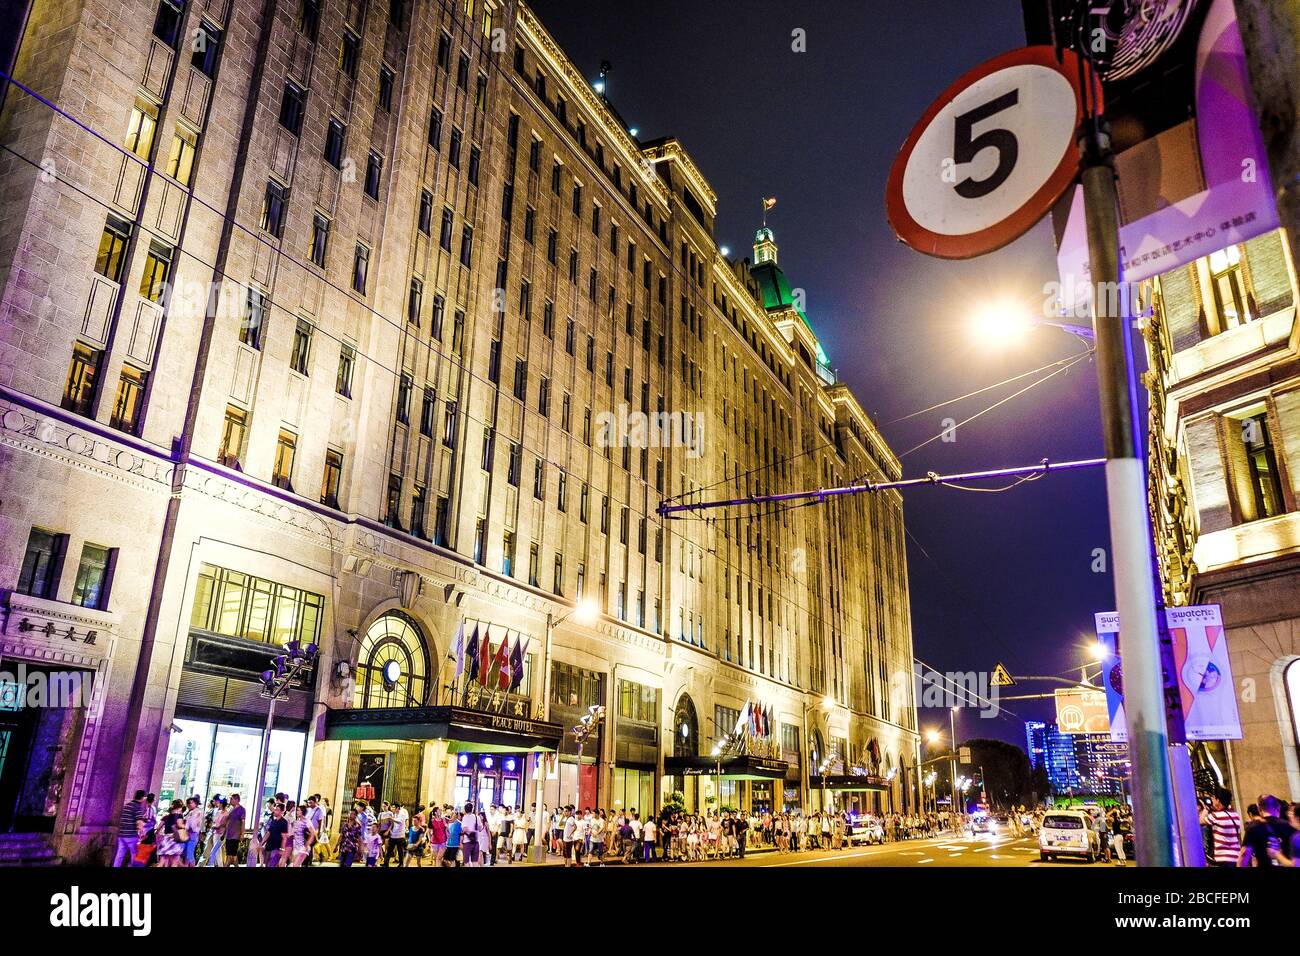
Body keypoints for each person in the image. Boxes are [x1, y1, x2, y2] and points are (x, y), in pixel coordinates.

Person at [1239, 794, 1295, 867]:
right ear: (1278, 807)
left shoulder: (1253, 827)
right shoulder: (1288, 826)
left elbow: (1244, 855)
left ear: (1259, 809)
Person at [1205, 788, 1242, 868]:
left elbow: (1201, 821)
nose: (1212, 800)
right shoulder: (1236, 816)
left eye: (1213, 798)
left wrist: (1206, 808)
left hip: (1222, 859)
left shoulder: (1216, 816)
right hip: (1236, 857)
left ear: (1218, 800)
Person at [113, 790, 148, 867]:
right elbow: (139, 823)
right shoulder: (138, 807)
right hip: (131, 835)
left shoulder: (127, 805)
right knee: (134, 855)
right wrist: (143, 833)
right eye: (145, 798)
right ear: (142, 798)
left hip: (122, 835)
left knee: (119, 855)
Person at [262, 803, 290, 868]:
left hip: (276, 847)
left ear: (282, 812)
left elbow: (284, 837)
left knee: (272, 864)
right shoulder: (273, 821)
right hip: (269, 845)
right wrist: (261, 843)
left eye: (277, 810)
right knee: (266, 863)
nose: (274, 811)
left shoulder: (284, 822)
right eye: (275, 809)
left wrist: (282, 849)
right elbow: (268, 833)